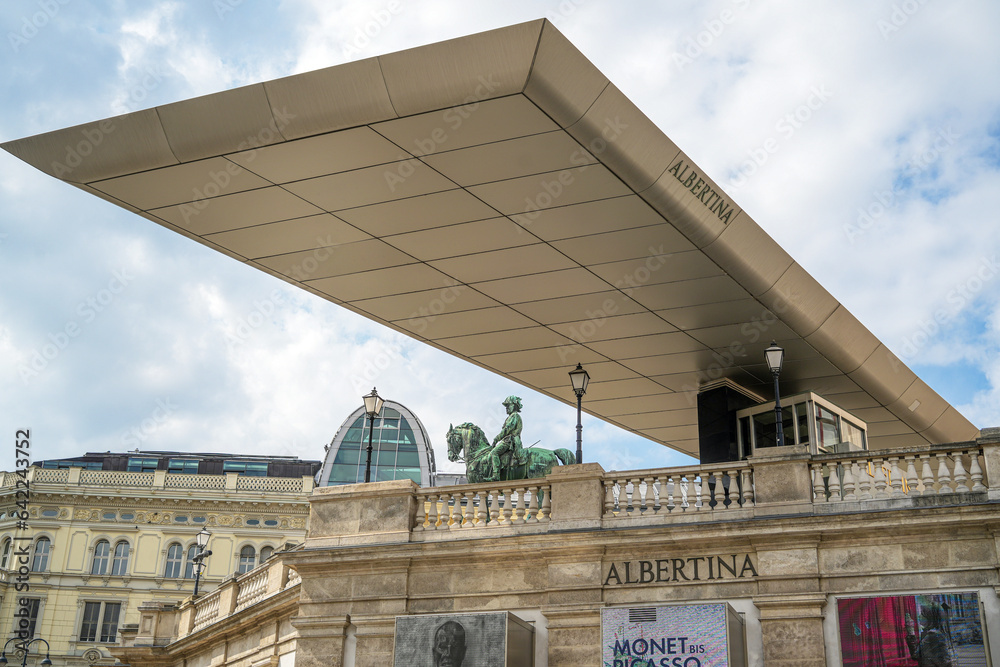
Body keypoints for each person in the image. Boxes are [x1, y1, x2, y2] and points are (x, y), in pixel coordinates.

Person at [489, 396, 525, 481]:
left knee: (494, 452)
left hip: (510, 441)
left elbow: (507, 429)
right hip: (508, 440)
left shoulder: (514, 416)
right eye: (506, 406)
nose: (507, 408)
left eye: (508, 405)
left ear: (514, 406)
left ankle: (496, 475)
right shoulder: (511, 416)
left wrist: (496, 439)